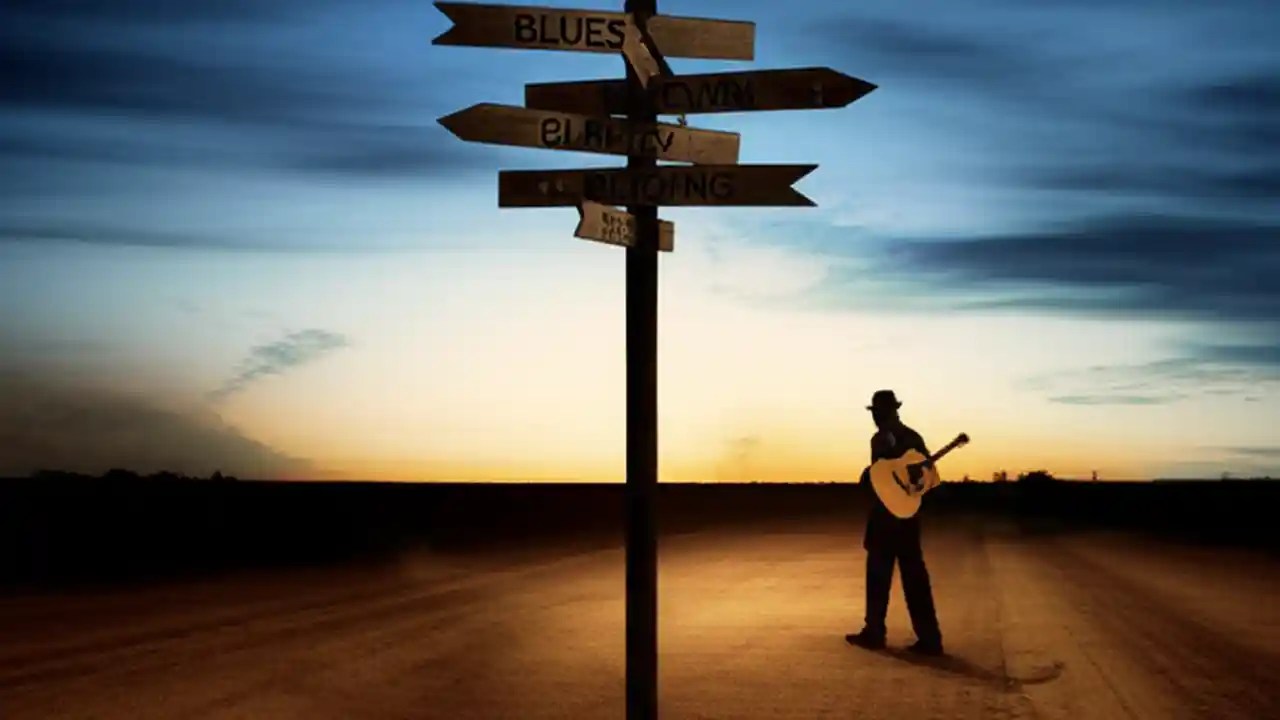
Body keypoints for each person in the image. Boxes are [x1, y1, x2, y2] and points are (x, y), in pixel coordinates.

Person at [845, 389, 944, 656]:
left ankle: (876, 633)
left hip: (888, 518)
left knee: (881, 576)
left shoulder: (881, 439)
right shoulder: (913, 437)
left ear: (886, 412)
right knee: (913, 578)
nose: (875, 417)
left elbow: (886, 479)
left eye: (877, 412)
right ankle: (929, 638)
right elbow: (923, 479)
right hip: (906, 517)